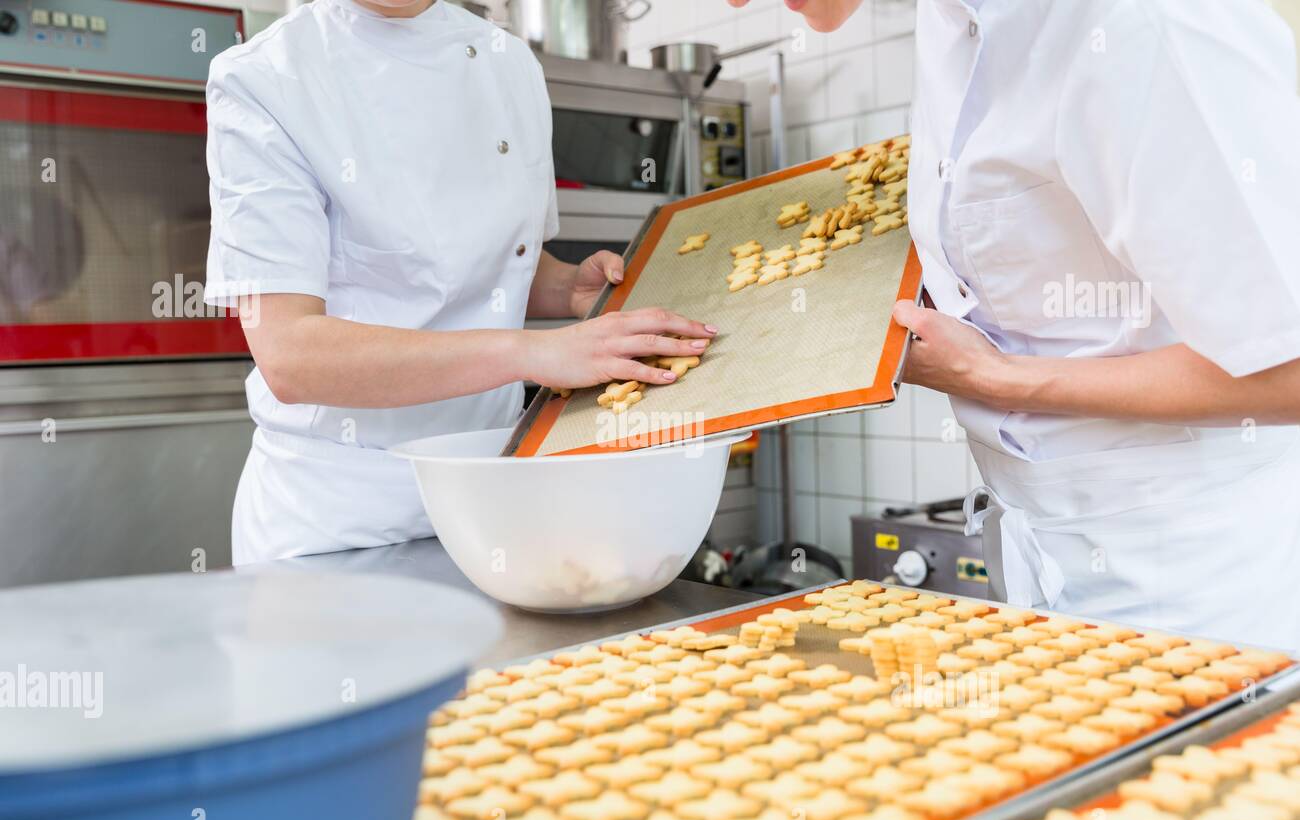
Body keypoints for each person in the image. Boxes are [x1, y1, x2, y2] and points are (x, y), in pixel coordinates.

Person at [729, 0, 1300, 651]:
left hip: (1202, 600)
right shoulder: (947, 21)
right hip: (1039, 570)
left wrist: (995, 378)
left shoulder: (1146, 22)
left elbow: (1289, 372)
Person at [204, 0, 716, 564]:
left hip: (491, 497)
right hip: (339, 516)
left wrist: (565, 287)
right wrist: (532, 352)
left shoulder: (510, 64)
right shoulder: (264, 78)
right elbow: (292, 357)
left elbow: (488, 266)